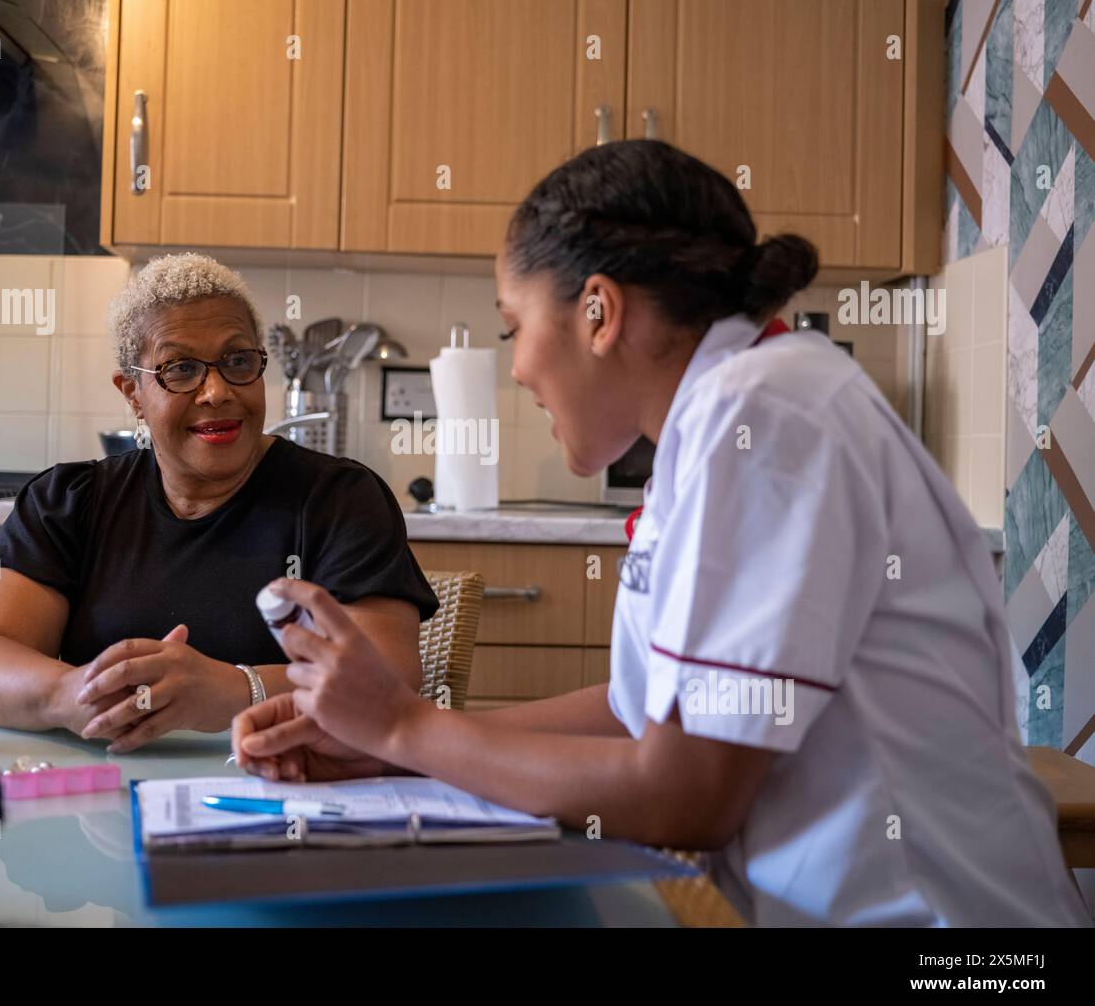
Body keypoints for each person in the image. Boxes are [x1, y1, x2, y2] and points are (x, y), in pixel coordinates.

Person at [230, 139, 1091, 928]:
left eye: (511, 326)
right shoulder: (725, 417)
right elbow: (633, 710)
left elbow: (688, 795)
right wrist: (402, 747)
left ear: (599, 313)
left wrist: (403, 731)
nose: (518, 367)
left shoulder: (764, 413)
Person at [0, 253, 436, 753]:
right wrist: (67, 694)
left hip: (285, 796)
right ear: (132, 394)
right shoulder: (70, 503)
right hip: (98, 796)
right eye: (181, 369)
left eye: (238, 361)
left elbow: (387, 678)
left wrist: (234, 690)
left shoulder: (340, 501)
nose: (217, 391)